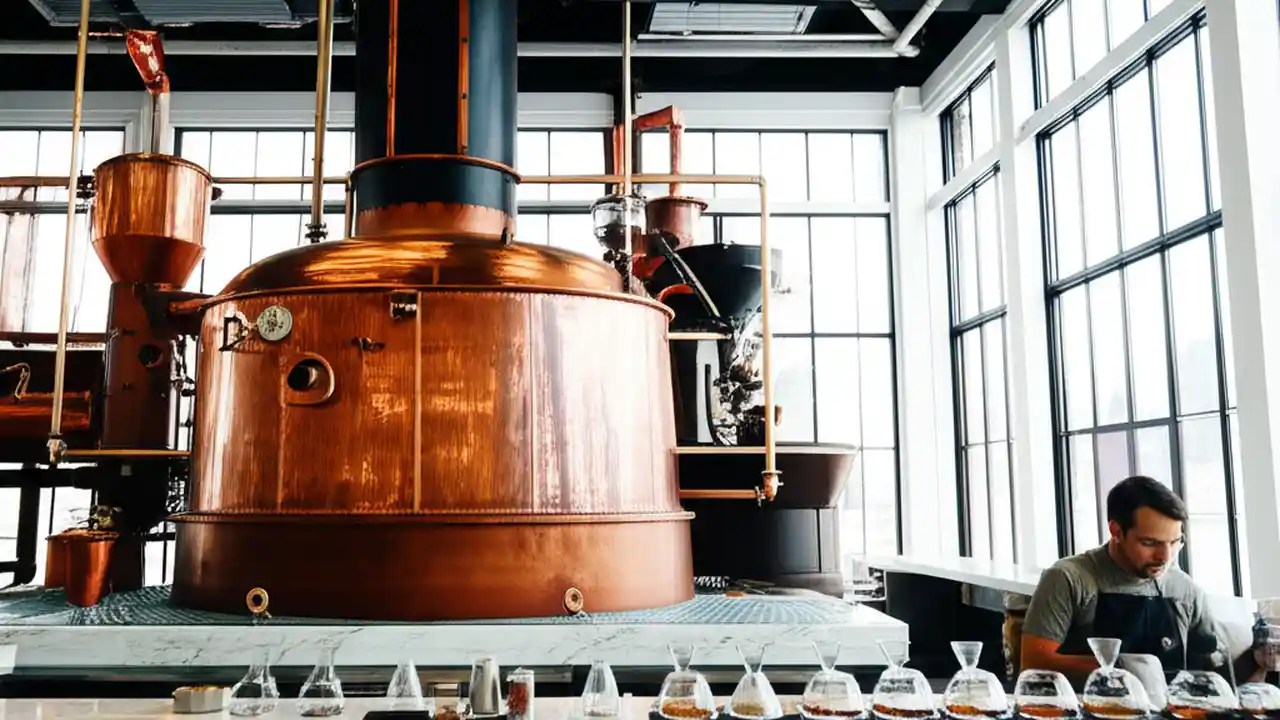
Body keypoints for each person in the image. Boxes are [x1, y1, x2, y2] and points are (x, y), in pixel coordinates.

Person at [1020, 475, 1264, 684]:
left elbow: (1214, 672)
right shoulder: (1069, 578)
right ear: (1116, 531)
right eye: (1150, 543)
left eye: (1175, 542)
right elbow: (1033, 664)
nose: (1165, 557)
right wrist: (1121, 669)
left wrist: (1258, 658)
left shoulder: (1184, 590)